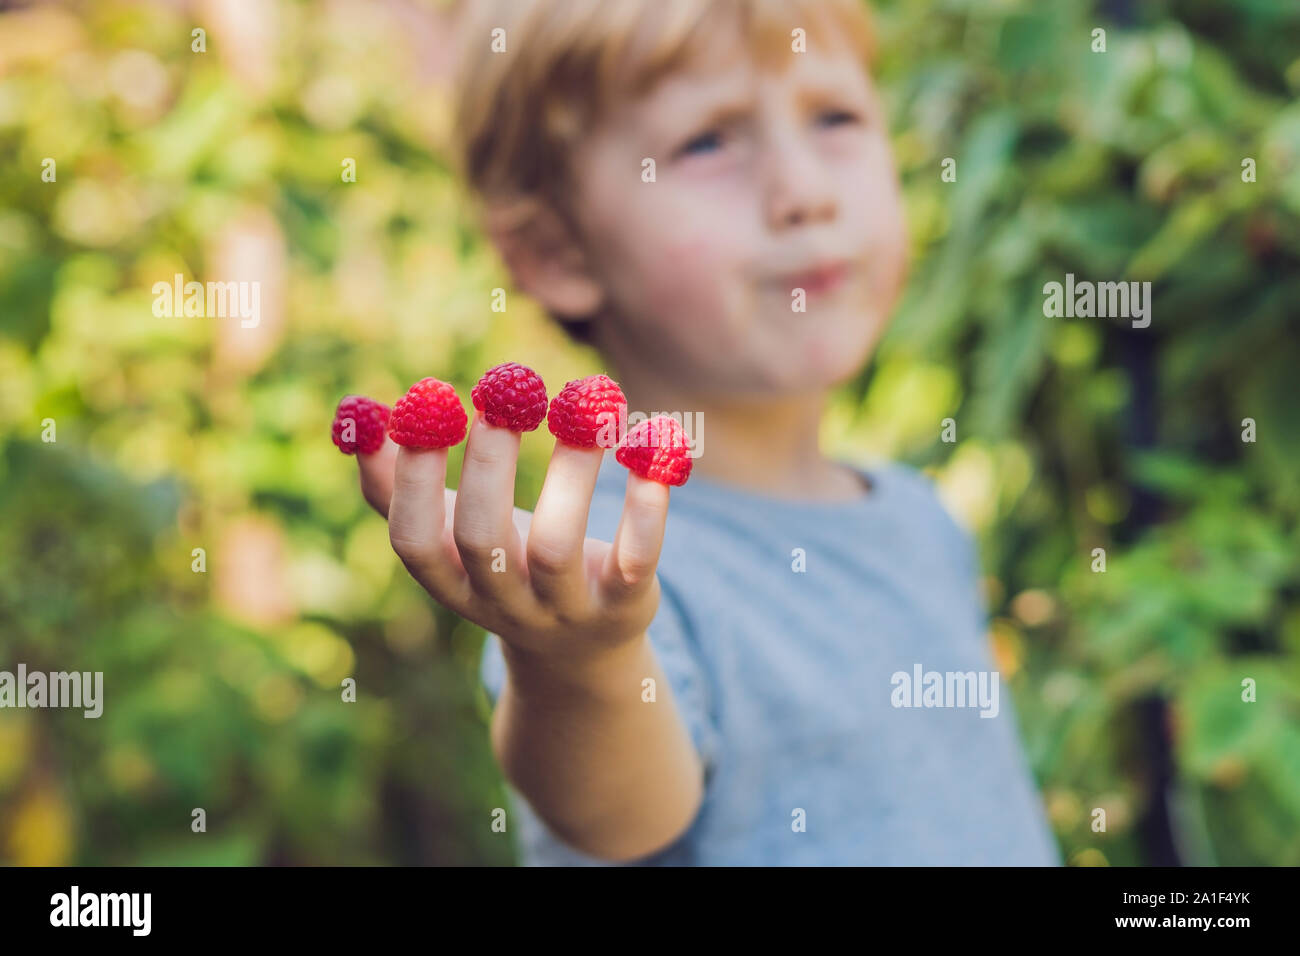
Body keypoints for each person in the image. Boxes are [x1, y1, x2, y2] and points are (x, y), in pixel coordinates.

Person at [355, 0, 1060, 865]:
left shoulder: (920, 517)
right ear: (556, 255)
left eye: (834, 117)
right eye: (708, 143)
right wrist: (583, 669)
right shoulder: (603, 569)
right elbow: (617, 816)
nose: (804, 190)